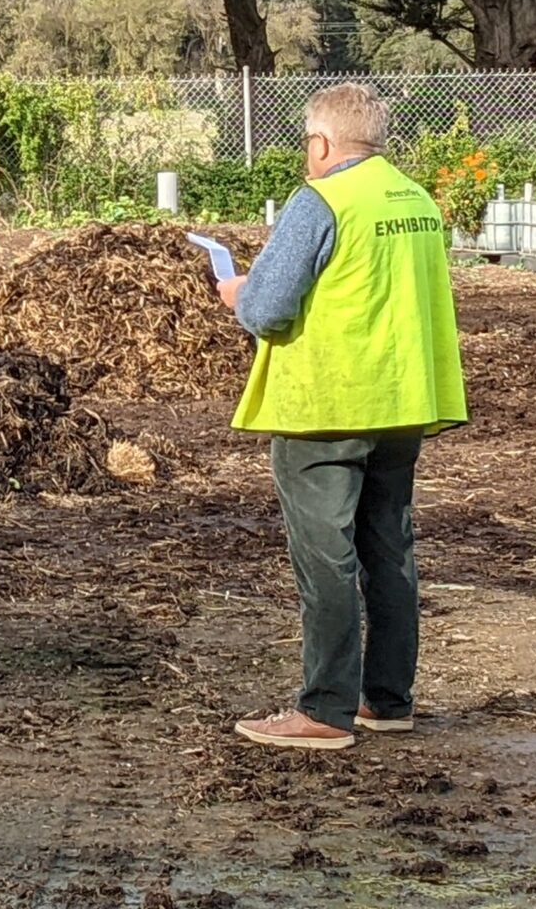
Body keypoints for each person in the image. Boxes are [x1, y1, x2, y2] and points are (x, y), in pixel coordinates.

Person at [216, 81, 467, 751]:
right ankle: (387, 700)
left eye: (308, 143)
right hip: (403, 403)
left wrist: (238, 293)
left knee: (326, 558)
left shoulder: (321, 201)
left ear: (322, 143)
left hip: (326, 407)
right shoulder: (416, 200)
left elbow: (268, 309)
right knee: (389, 548)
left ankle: (324, 709)